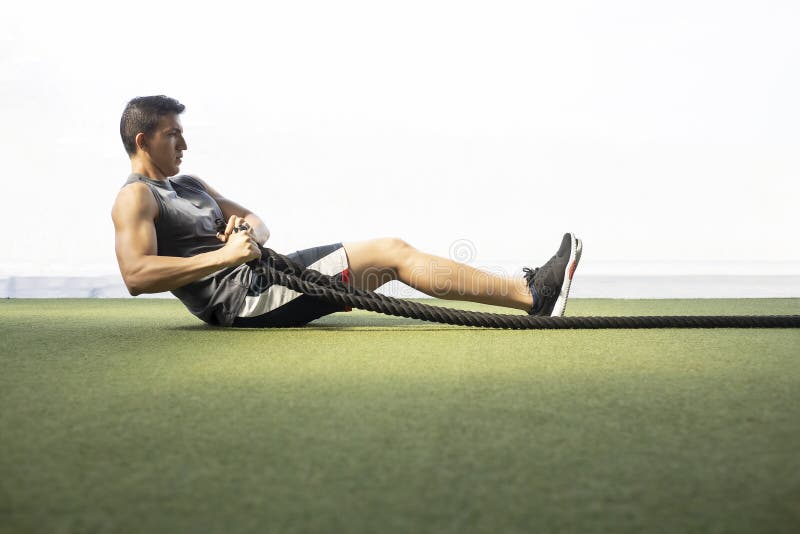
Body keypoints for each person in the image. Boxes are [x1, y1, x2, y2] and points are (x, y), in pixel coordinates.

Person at [111, 95, 582, 327]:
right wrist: (226, 256)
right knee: (390, 253)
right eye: (173, 135)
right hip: (243, 300)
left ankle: (528, 296)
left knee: (389, 255)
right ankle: (531, 296)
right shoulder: (136, 197)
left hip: (268, 273)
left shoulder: (190, 184)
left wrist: (245, 233)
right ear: (143, 141)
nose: (184, 144)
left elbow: (258, 223)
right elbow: (136, 275)